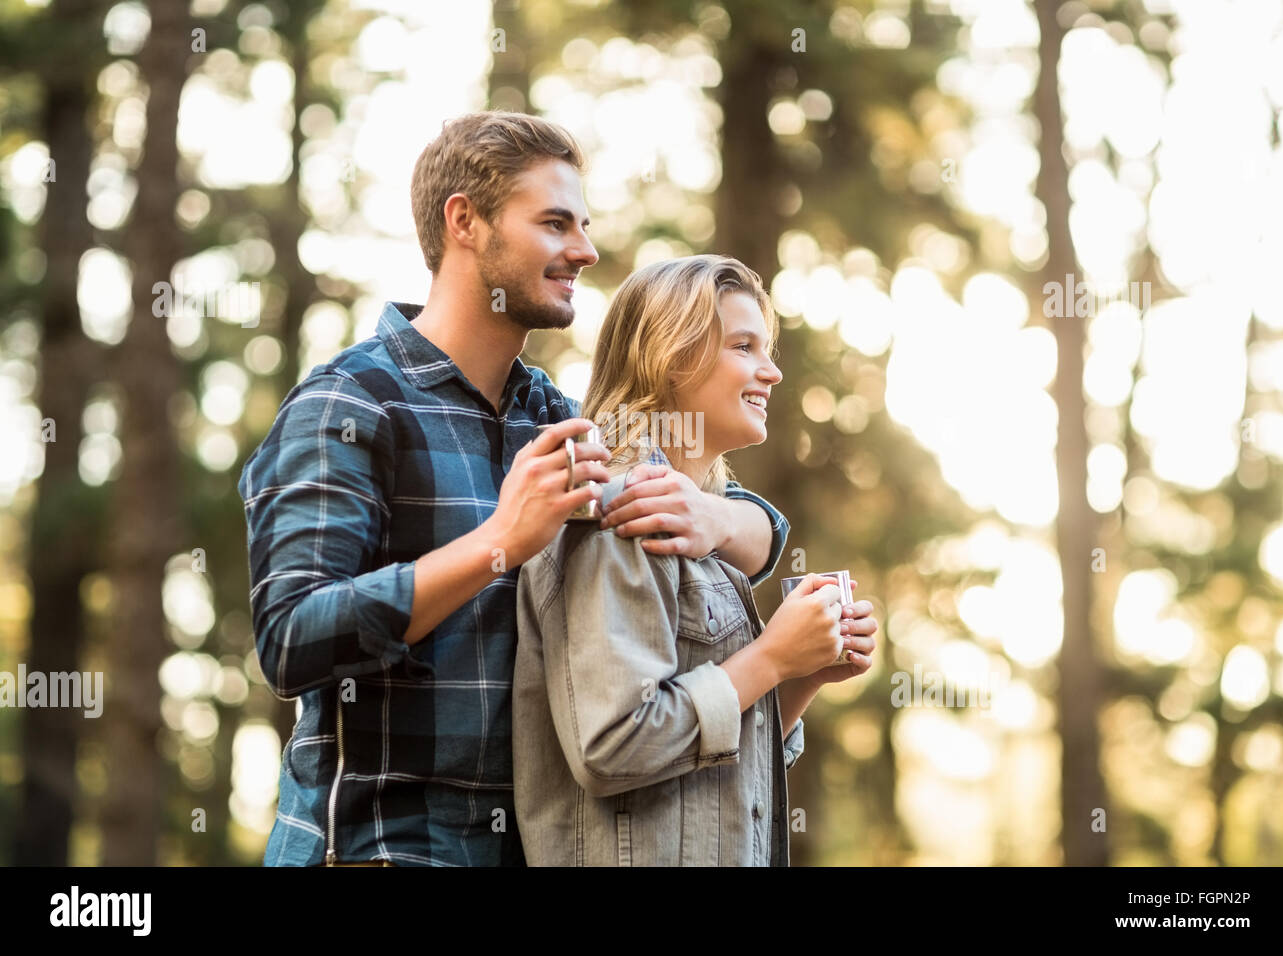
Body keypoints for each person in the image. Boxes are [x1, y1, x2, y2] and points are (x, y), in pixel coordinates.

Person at [238, 113, 793, 866]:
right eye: (556, 223)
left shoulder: (556, 418)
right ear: (465, 221)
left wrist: (718, 518)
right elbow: (290, 638)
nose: (586, 251)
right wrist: (500, 543)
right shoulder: (351, 404)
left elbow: (748, 528)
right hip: (381, 851)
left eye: (585, 226)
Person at [513, 255, 879, 866]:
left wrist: (802, 673)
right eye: (744, 346)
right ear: (672, 356)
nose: (772, 372)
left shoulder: (704, 533)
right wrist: (770, 657)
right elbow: (612, 745)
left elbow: (712, 764)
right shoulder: (623, 518)